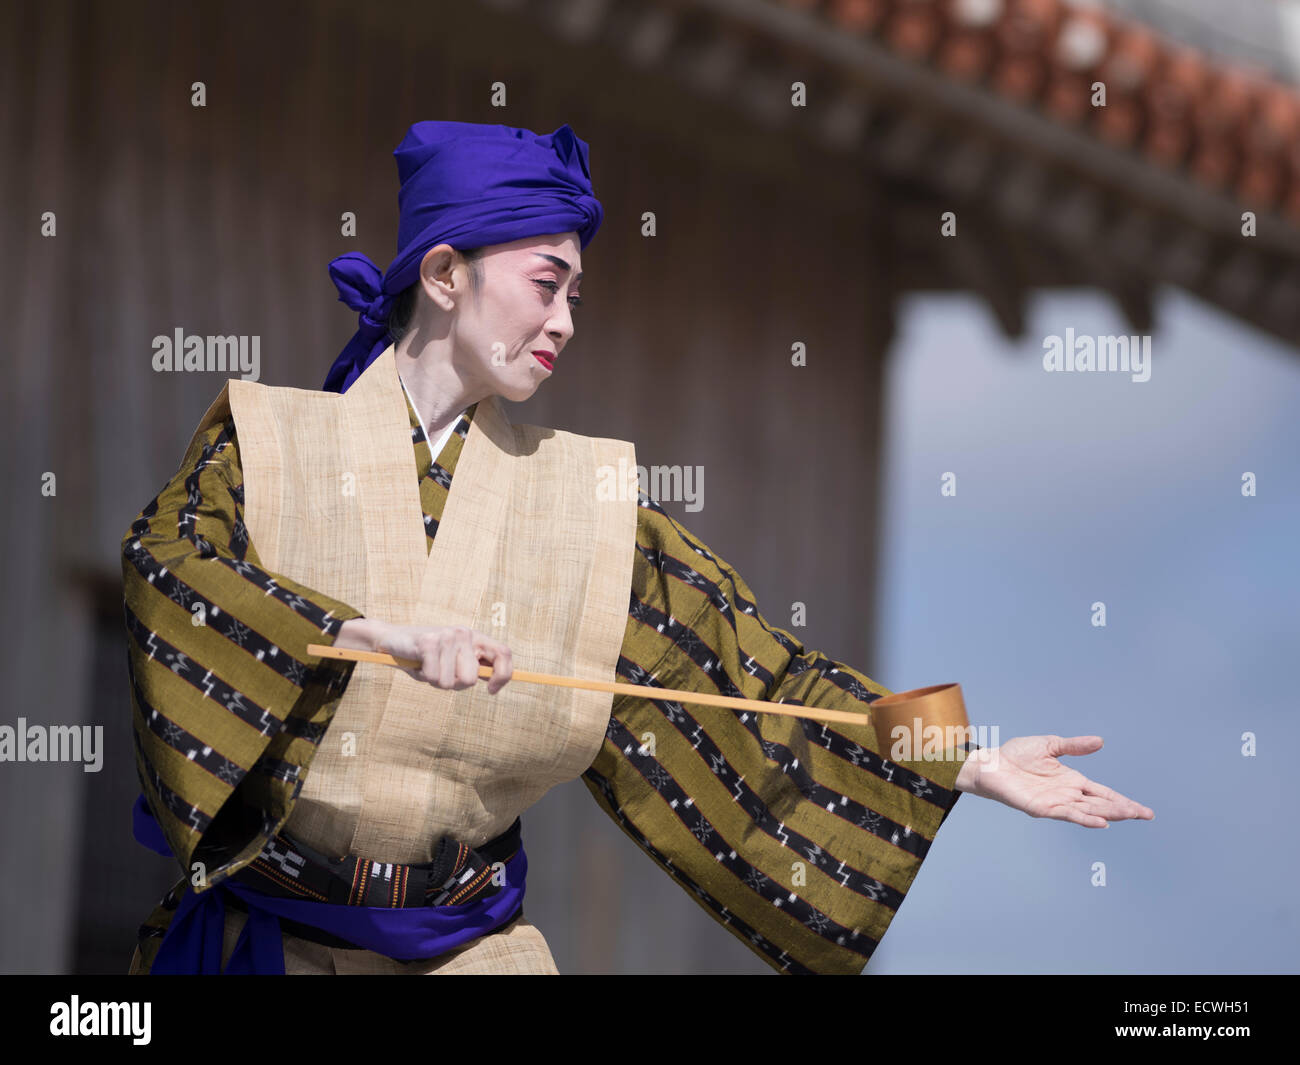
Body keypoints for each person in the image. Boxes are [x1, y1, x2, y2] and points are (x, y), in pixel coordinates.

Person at [122, 121, 1154, 976]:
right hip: (268, 939)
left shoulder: (590, 505)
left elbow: (760, 677)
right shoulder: (265, 444)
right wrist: (356, 630)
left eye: (577, 295)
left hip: (466, 949)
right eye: (545, 282)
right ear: (443, 272)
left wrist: (966, 759)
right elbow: (168, 572)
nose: (566, 320)